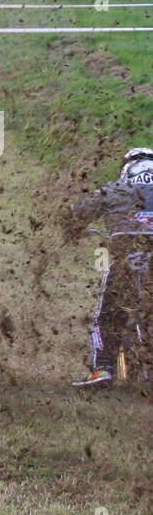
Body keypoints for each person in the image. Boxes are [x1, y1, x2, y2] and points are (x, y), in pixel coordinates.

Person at [68, 148, 153, 386]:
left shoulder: (114, 189)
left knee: (108, 315)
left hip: (126, 259)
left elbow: (77, 214)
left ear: (127, 169)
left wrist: (73, 228)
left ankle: (103, 369)